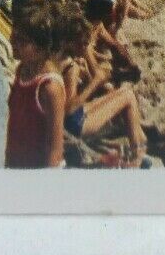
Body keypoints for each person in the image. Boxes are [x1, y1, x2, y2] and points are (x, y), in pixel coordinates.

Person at [59, 13, 147, 165]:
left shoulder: (60, 57)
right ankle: (137, 157)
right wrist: (95, 83)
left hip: (70, 118)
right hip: (74, 125)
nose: (86, 48)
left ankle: (140, 144)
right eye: (84, 44)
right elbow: (70, 109)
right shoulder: (71, 68)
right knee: (127, 95)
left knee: (123, 93)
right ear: (75, 42)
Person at [5, 4, 66, 168]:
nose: (12, 41)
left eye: (21, 41)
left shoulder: (50, 87)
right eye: (14, 35)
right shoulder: (23, 69)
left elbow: (55, 149)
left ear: (41, 48)